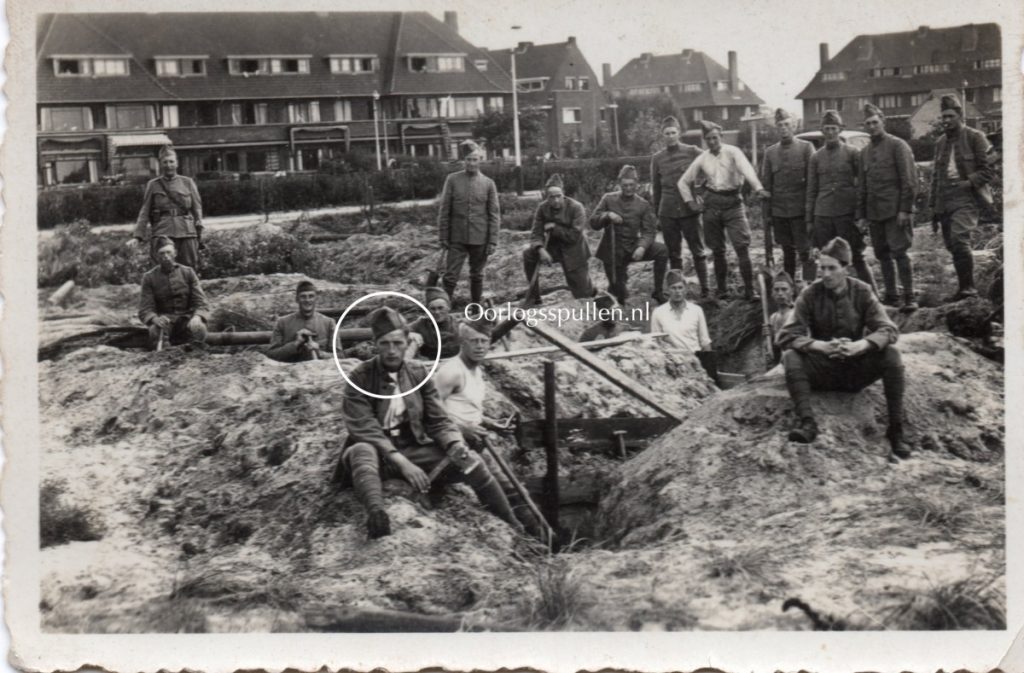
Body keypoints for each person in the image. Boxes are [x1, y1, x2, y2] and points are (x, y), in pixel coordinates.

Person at [337, 307, 521, 539]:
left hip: (412, 446)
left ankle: (516, 527)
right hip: (378, 454)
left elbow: (438, 419)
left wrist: (454, 443)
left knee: (471, 462)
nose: (392, 351)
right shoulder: (359, 377)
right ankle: (377, 514)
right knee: (361, 450)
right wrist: (403, 463)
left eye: (397, 343)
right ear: (375, 344)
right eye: (384, 343)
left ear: (407, 343)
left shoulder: (418, 373)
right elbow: (364, 427)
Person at [777, 237, 909, 459]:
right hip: (823, 369)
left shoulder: (862, 291)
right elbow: (786, 336)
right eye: (822, 268)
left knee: (892, 355)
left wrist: (861, 345)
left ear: (846, 269)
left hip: (856, 369)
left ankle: (896, 430)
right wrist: (821, 346)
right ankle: (807, 423)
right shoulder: (810, 293)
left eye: (832, 268)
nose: (825, 274)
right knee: (791, 357)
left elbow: (889, 330)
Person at [433, 319, 545, 536]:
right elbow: (431, 414)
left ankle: (543, 540)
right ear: (462, 343)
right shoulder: (451, 372)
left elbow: (463, 408)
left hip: (474, 440)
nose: (480, 346)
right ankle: (525, 538)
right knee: (506, 491)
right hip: (455, 446)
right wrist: (463, 430)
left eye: (484, 341)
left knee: (516, 490)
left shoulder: (476, 370)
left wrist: (489, 423)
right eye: (474, 341)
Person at [678, 120, 771, 301]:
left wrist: (758, 189)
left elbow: (747, 171)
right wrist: (691, 203)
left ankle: (750, 291)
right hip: (712, 204)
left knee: (741, 246)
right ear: (704, 141)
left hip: (733, 204)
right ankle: (722, 291)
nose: (712, 142)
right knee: (717, 250)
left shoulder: (733, 152)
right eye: (708, 139)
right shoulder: (703, 158)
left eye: (715, 138)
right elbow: (683, 182)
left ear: (721, 136)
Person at [929, 93, 994, 301]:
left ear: (960, 116)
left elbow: (989, 169)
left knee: (959, 239)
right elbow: (935, 177)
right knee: (951, 244)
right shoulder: (940, 143)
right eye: (944, 117)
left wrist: (969, 181)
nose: (946, 121)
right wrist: (933, 206)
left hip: (967, 197)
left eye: (950, 116)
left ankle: (969, 289)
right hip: (945, 198)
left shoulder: (975, 137)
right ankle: (963, 288)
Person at [806, 109, 877, 291]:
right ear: (822, 130)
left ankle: (873, 297)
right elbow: (812, 189)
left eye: (834, 128)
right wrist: (809, 220)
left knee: (856, 257)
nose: (830, 132)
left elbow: (862, 185)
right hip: (823, 215)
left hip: (846, 214)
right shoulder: (816, 157)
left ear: (840, 130)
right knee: (824, 258)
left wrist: (860, 214)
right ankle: (825, 297)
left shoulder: (853, 153)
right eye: (827, 128)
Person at [858, 103, 918, 311]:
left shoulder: (898, 146)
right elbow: (863, 187)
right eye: (868, 123)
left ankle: (909, 296)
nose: (872, 126)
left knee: (900, 252)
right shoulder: (864, 152)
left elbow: (908, 181)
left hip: (895, 211)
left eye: (875, 122)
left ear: (883, 121)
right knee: (882, 254)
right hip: (875, 213)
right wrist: (862, 215)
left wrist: (904, 209)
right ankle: (891, 295)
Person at [589, 164, 670, 305]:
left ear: (636, 185)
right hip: (612, 252)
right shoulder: (608, 199)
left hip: (633, 246)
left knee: (662, 250)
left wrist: (642, 247)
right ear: (619, 184)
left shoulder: (643, 204)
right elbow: (593, 223)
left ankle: (658, 291)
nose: (628, 188)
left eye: (631, 185)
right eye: (625, 185)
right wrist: (607, 215)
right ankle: (616, 288)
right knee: (619, 295)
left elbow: (649, 231)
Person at [650, 115, 709, 296]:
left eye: (673, 132)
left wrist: (700, 192)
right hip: (667, 212)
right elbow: (656, 188)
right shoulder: (657, 158)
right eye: (667, 133)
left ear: (679, 133)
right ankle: (678, 291)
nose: (670, 136)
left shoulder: (691, 151)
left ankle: (705, 289)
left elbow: (710, 164)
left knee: (698, 251)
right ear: (662, 135)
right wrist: (657, 214)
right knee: (674, 254)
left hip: (688, 210)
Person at [437, 140, 500, 304]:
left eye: (475, 159)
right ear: (463, 161)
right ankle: (443, 309)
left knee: (477, 275)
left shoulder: (488, 184)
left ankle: (475, 308)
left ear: (480, 160)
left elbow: (494, 214)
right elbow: (445, 209)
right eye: (468, 160)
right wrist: (443, 236)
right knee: (450, 276)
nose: (471, 163)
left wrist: (492, 240)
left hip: (480, 237)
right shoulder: (452, 180)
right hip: (456, 237)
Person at [521, 173, 595, 305]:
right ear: (546, 197)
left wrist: (554, 227)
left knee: (584, 294)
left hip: (574, 251)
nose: (556, 200)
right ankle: (534, 297)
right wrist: (540, 249)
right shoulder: (542, 208)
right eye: (551, 197)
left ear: (564, 194)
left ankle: (592, 290)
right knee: (528, 254)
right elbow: (535, 233)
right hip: (553, 248)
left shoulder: (576, 207)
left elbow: (573, 236)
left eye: (558, 196)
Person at [761, 108, 815, 284]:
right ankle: (790, 286)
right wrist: (768, 215)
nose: (783, 128)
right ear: (776, 128)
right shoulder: (770, 153)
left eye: (786, 124)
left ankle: (809, 285)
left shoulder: (806, 148)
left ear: (794, 126)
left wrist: (810, 212)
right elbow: (767, 186)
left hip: (801, 211)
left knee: (806, 251)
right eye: (780, 125)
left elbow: (813, 183)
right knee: (787, 250)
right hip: (780, 211)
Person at [130, 145, 204, 270]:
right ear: (160, 164)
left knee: (189, 267)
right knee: (162, 269)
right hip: (163, 231)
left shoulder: (187, 182)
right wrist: (137, 236)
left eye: (171, 161)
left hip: (186, 231)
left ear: (177, 163)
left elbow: (197, 207)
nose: (168, 165)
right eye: (165, 162)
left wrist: (199, 222)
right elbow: (144, 212)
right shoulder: (153, 185)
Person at [137, 237, 209, 350]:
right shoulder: (149, 277)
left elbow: (200, 301)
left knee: (199, 329)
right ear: (156, 256)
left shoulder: (188, 272)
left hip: (187, 319)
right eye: (161, 253)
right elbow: (145, 309)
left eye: (168, 252)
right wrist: (155, 319)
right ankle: (169, 355)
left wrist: (197, 317)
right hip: (165, 322)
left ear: (175, 253)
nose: (165, 256)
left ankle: (194, 354)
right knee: (155, 331)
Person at [650, 269, 716, 380]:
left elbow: (705, 341)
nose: (677, 292)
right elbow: (655, 343)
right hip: (674, 366)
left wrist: (710, 370)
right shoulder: (658, 313)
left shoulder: (696, 310)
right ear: (668, 290)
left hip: (696, 362)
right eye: (673, 288)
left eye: (680, 288)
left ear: (685, 289)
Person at [266, 280, 337, 362]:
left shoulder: (329, 323)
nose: (307, 300)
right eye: (303, 296)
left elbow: (340, 356)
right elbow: (271, 355)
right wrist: (295, 344)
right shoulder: (282, 323)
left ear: (316, 299)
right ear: (297, 299)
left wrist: (320, 353)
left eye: (311, 296)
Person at [406, 287, 461, 361]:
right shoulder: (421, 324)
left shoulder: (458, 324)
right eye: (433, 309)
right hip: (429, 365)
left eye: (440, 308)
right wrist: (410, 334)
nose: (437, 312)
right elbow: (397, 330)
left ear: (449, 307)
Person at [765, 270, 796, 364]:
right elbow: (773, 350)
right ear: (772, 293)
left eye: (784, 289)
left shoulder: (798, 313)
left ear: (792, 291)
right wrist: (768, 338)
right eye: (776, 290)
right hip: (779, 365)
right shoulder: (773, 318)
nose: (780, 293)